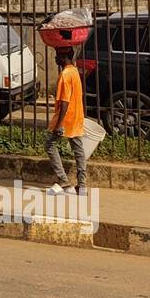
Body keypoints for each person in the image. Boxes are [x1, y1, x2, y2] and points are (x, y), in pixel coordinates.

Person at [46, 46, 87, 195]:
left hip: (67, 119)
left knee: (50, 145)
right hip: (77, 117)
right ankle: (82, 185)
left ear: (63, 57)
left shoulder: (65, 75)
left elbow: (64, 102)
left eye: (56, 55)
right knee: (78, 151)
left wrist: (59, 124)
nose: (55, 58)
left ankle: (63, 180)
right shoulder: (74, 71)